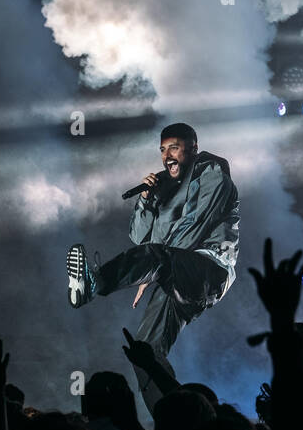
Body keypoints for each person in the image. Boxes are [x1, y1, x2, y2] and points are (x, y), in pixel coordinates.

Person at [66, 122, 239, 408]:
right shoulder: (165, 189)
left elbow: (194, 227)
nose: (167, 156)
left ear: (193, 148)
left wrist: (156, 263)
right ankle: (172, 416)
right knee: (144, 351)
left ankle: (95, 283)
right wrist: (146, 201)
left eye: (174, 147)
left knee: (157, 255)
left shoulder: (214, 174)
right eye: (162, 150)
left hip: (208, 268)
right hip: (174, 273)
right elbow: (140, 237)